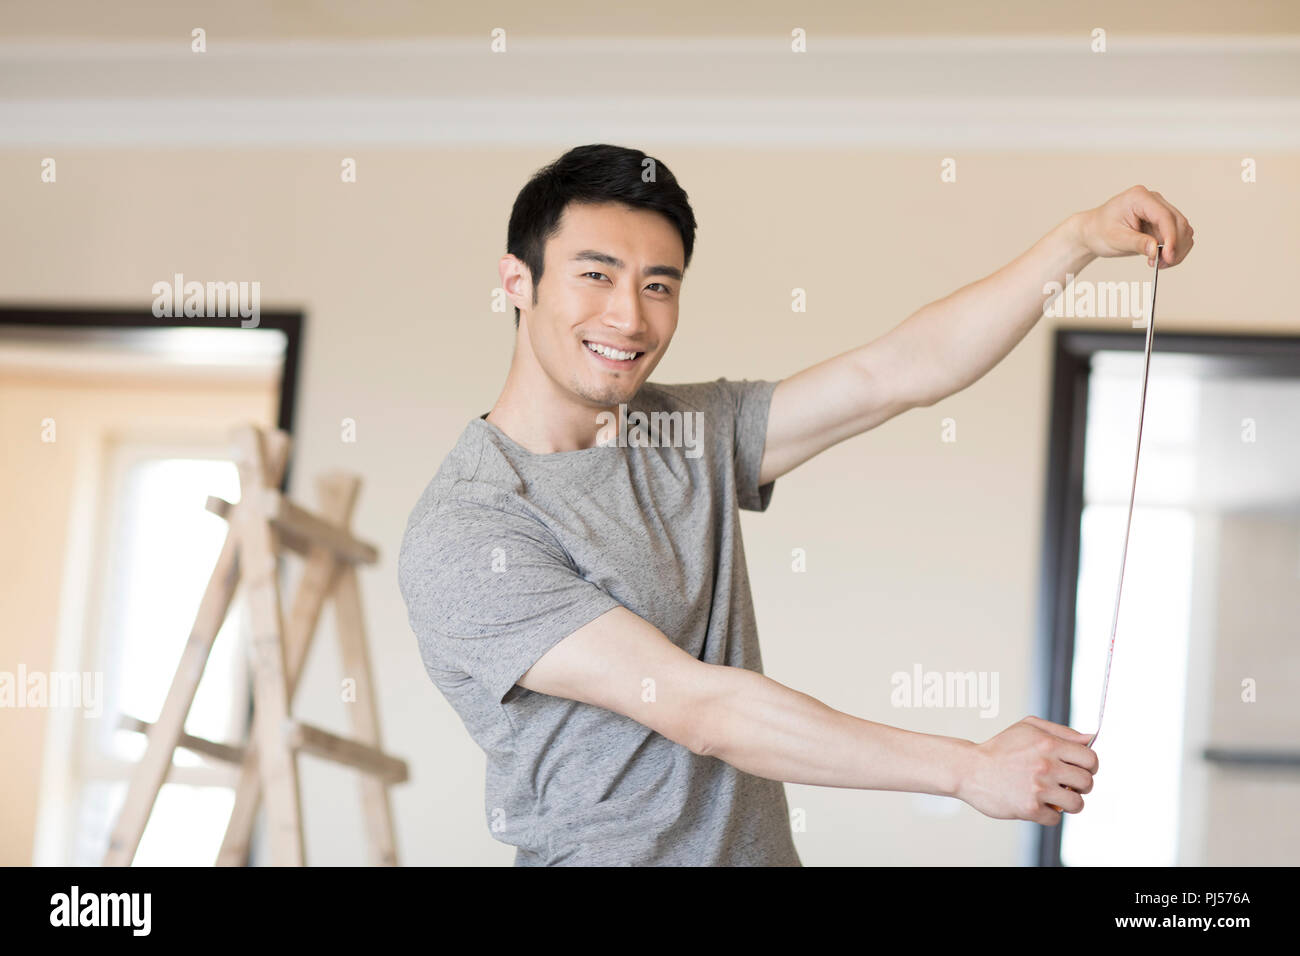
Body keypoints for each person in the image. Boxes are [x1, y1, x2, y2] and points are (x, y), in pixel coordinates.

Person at [398, 143, 1194, 865]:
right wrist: (970, 769)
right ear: (517, 280)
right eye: (596, 275)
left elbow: (898, 372)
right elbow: (701, 709)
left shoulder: (682, 431)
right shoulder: (472, 528)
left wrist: (1079, 240)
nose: (629, 317)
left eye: (659, 285)